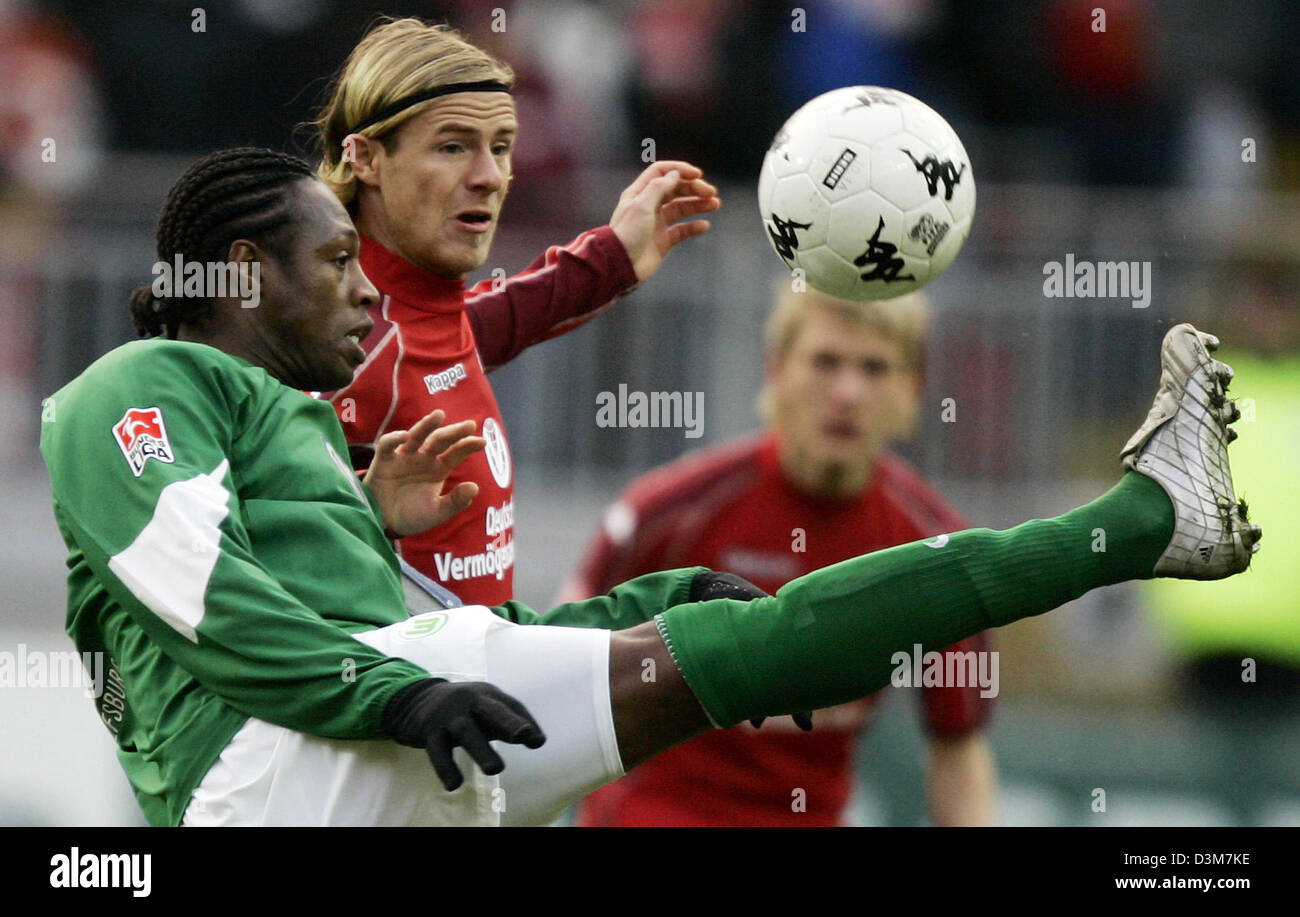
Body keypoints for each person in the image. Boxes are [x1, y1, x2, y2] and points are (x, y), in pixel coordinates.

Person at [41, 147, 1260, 827]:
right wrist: (393, 695)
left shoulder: (296, 438)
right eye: (332, 261)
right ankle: (1143, 520)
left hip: (360, 748)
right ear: (243, 270)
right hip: (278, 772)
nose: (368, 291)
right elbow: (198, 593)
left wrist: (657, 597)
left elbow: (440, 638)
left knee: (742, 642)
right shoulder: (135, 382)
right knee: (764, 643)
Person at [311, 17, 720, 605]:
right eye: (453, 147)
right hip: (402, 692)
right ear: (367, 158)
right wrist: (367, 510)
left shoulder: (418, 317)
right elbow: (246, 553)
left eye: (501, 147)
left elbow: (479, 325)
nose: (488, 177)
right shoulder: (335, 343)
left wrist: (613, 256)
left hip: (475, 686)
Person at [563, 287, 996, 826]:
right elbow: (562, 655)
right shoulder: (671, 515)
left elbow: (958, 749)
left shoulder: (935, 550)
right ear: (776, 372)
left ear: (913, 389)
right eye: (825, 362)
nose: (848, 392)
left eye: (875, 368)